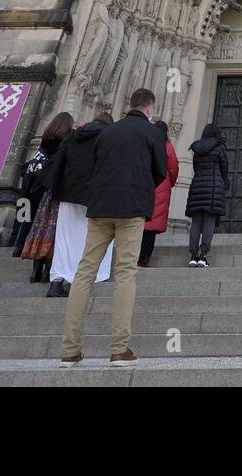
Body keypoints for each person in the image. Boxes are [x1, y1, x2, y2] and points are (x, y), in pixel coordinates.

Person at [60, 88, 166, 368]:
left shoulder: (106, 133)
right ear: (150, 107)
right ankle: (119, 350)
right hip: (131, 209)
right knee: (125, 274)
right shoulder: (152, 133)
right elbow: (160, 172)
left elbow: (94, 167)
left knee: (84, 273)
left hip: (100, 208)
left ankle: (70, 351)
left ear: (130, 104)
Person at [43, 113, 111, 297]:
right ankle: (86, 279)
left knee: (64, 238)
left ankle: (57, 281)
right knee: (94, 238)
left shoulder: (74, 135)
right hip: (95, 194)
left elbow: (58, 162)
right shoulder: (110, 136)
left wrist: (53, 189)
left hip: (68, 191)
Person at [21, 112, 76, 285]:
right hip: (57, 190)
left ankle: (35, 271)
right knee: (54, 231)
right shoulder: (67, 139)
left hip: (42, 189)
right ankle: (47, 272)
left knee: (40, 228)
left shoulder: (46, 136)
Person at [12, 115, 70, 255]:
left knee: (25, 215)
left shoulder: (47, 134)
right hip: (44, 181)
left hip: (30, 180)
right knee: (39, 217)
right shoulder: (64, 138)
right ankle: (31, 246)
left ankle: (17, 244)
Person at [185, 123, 230, 266]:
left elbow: (195, 167)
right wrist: (224, 183)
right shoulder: (219, 148)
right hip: (213, 187)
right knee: (209, 221)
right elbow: (224, 168)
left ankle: (193, 255)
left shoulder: (197, 148)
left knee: (196, 221)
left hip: (197, 186)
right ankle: (203, 256)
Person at [138, 121, 179, 268]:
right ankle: (144, 258)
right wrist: (170, 182)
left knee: (139, 223)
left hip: (143, 185)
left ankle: (134, 254)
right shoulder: (168, 147)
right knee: (151, 227)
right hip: (161, 185)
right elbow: (173, 168)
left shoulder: (145, 143)